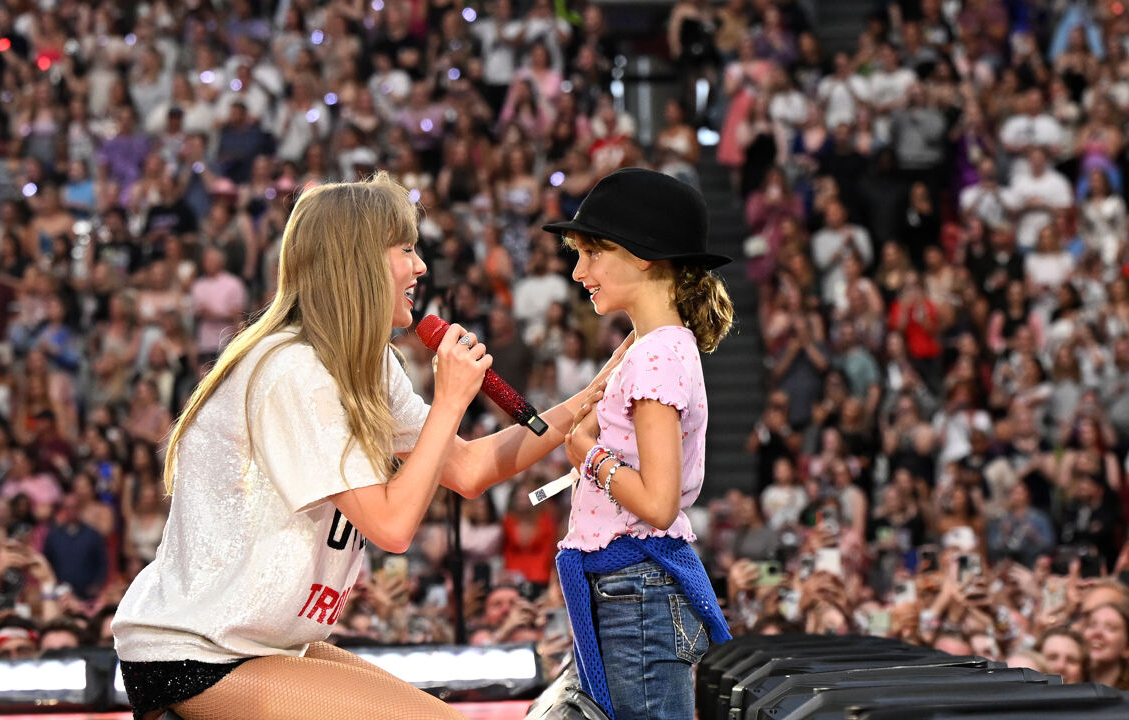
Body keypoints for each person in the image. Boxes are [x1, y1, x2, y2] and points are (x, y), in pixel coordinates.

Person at [111, 173, 625, 720]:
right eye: (405, 249)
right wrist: (449, 399)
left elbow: (471, 469)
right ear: (356, 261)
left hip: (257, 645)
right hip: (200, 653)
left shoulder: (370, 363)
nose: (421, 266)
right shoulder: (295, 369)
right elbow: (393, 526)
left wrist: (588, 399)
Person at [541, 167, 734, 719]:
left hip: (637, 592)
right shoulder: (655, 345)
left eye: (591, 254)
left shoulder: (655, 353)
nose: (579, 273)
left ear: (642, 254)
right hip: (633, 589)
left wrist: (589, 458)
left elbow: (657, 501)